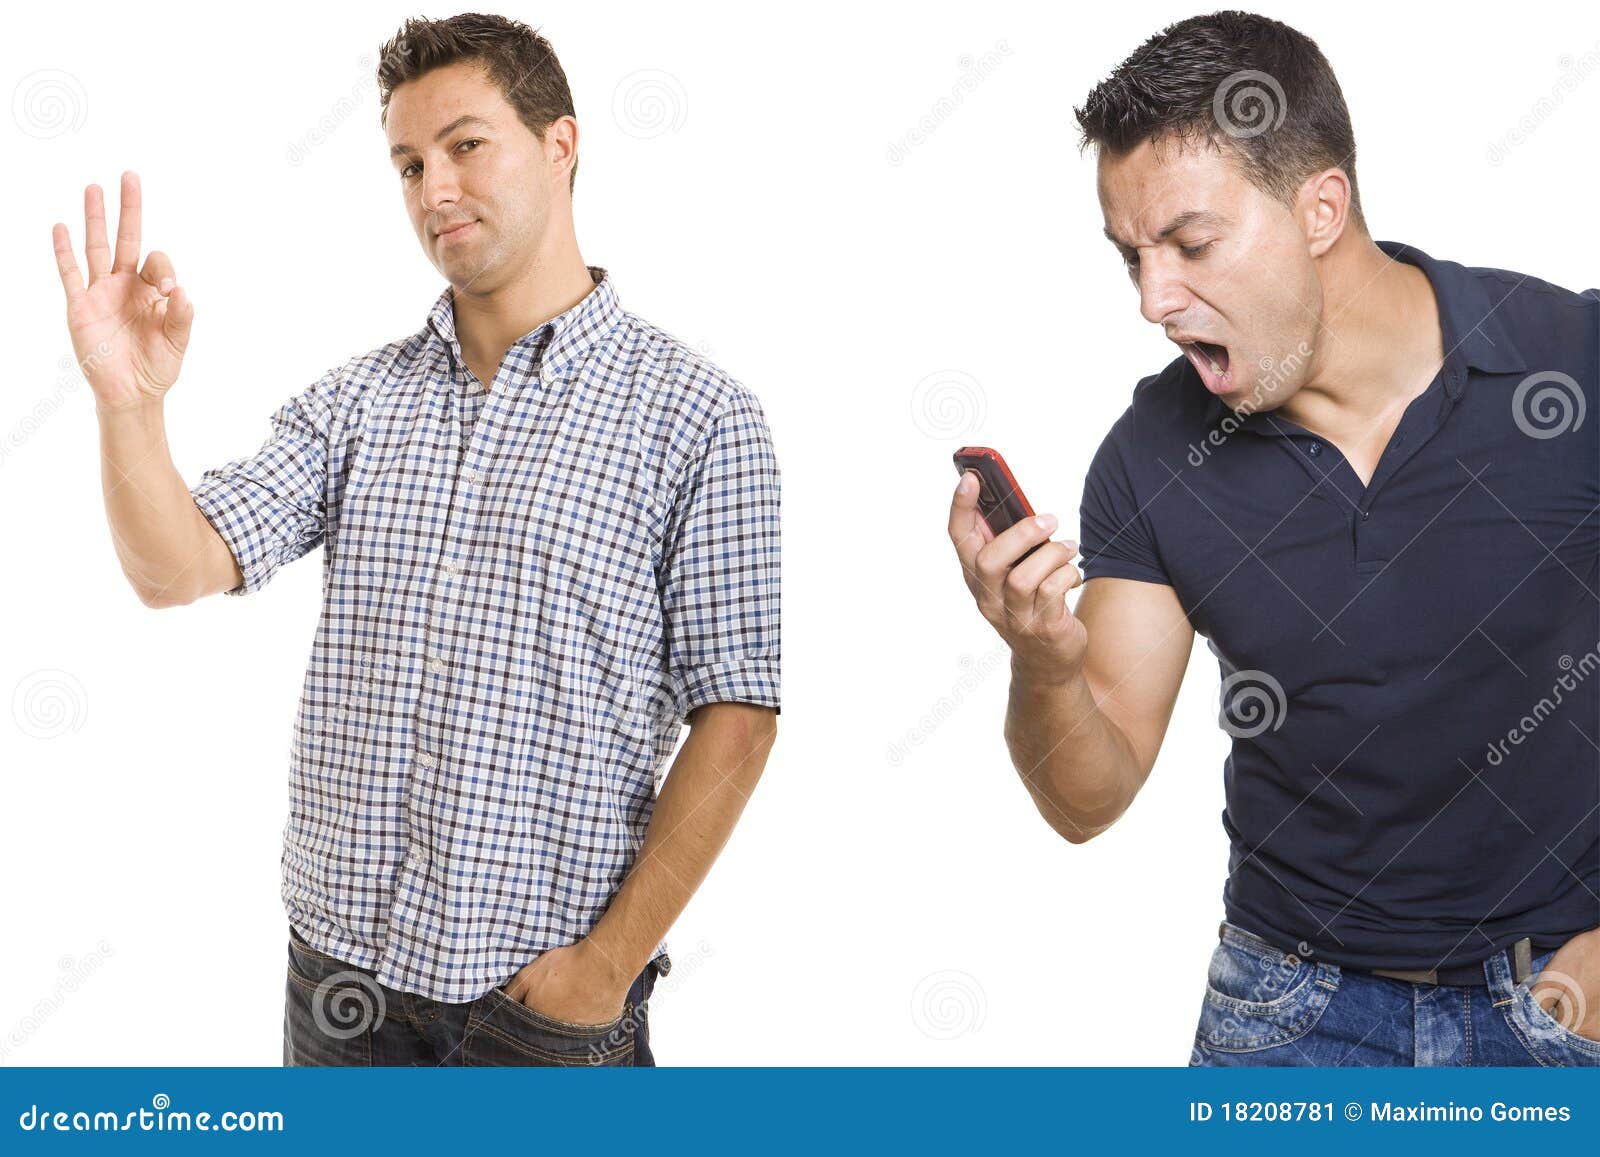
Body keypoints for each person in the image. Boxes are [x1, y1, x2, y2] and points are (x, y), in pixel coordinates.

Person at [54, 12, 780, 1066]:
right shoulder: (357, 403)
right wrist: (129, 404)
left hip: (542, 1013)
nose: (433, 190)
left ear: (561, 145)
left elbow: (738, 718)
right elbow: (176, 567)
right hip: (337, 993)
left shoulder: (698, 418)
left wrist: (603, 969)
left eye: (466, 146)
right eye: (407, 163)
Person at [947, 10, 1597, 1066]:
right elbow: (1087, 796)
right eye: (1132, 258)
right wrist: (1041, 659)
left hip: (1561, 1003)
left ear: (1320, 208)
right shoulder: (1153, 454)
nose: (1156, 300)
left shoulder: (1572, 365)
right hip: (1289, 1013)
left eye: (1191, 244)